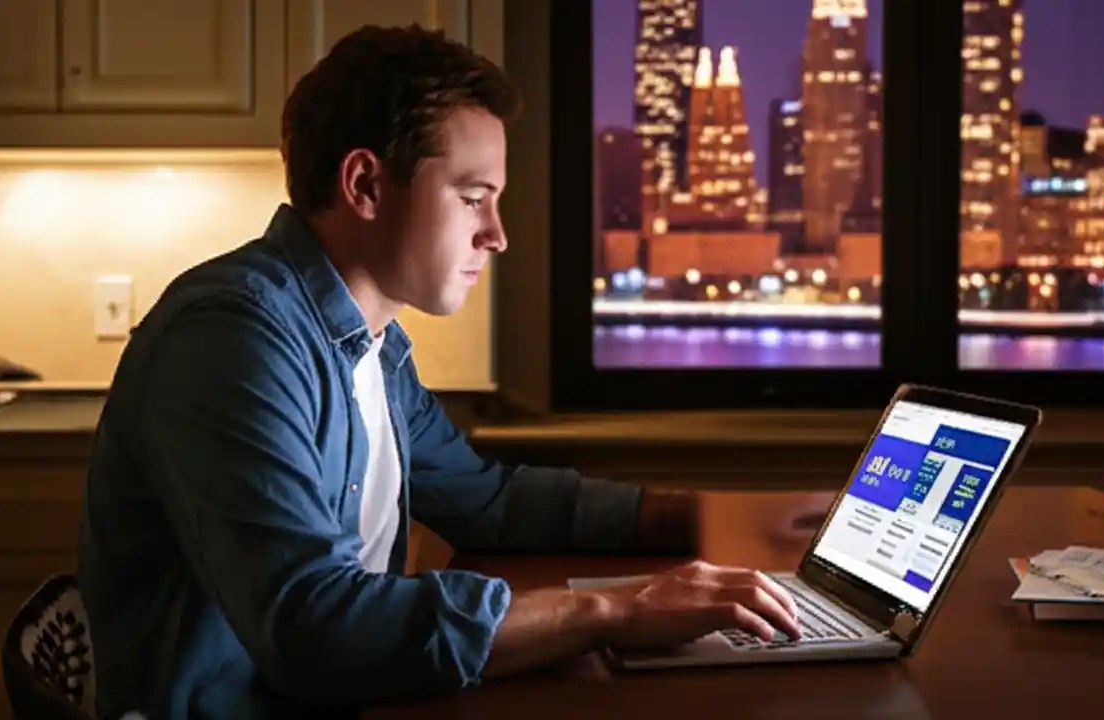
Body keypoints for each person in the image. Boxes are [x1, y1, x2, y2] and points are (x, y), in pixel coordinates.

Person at [77, 24, 799, 719]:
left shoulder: (371, 344)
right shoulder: (236, 338)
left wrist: (710, 516)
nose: (498, 235)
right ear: (365, 184)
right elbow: (312, 626)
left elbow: (488, 500)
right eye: (473, 198)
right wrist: (614, 609)